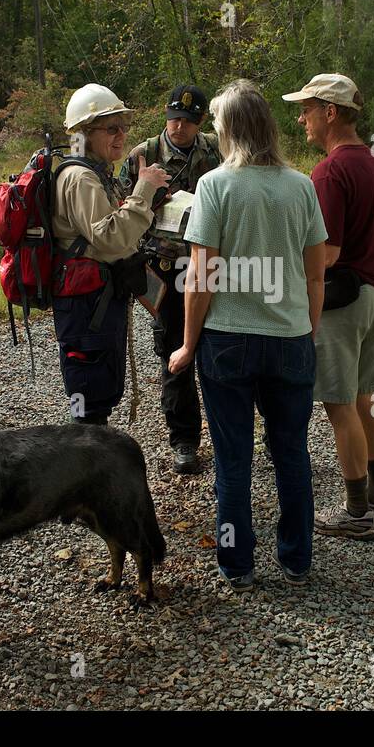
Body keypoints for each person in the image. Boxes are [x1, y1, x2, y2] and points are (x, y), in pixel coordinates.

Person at [168, 79, 327, 590]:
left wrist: (189, 344)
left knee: (233, 460)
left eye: (217, 123)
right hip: (290, 339)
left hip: (227, 340)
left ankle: (237, 564)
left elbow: (200, 276)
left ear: (231, 129)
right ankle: (297, 558)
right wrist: (307, 327)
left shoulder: (216, 186)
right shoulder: (301, 186)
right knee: (291, 452)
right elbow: (316, 272)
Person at [282, 73, 374, 540]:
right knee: (367, 398)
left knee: (338, 403)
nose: (301, 118)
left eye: (307, 109)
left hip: (342, 299)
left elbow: (325, 255)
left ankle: (355, 513)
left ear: (331, 112)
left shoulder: (330, 171)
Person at [51, 83, 170, 424]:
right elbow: (110, 238)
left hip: (96, 303)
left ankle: (93, 467)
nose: (121, 136)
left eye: (123, 127)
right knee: (88, 402)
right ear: (85, 133)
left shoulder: (97, 174)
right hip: (87, 308)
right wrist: (143, 190)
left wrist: (145, 198)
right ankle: (84, 470)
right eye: (111, 128)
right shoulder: (80, 179)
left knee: (99, 396)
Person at [122, 85, 222, 475]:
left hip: (211, 266)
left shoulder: (215, 149)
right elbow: (121, 207)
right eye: (174, 119)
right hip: (165, 269)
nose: (179, 127)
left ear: (199, 123)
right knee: (174, 355)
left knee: (217, 348)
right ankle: (184, 440)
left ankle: (232, 432)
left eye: (188, 121)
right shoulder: (142, 155)